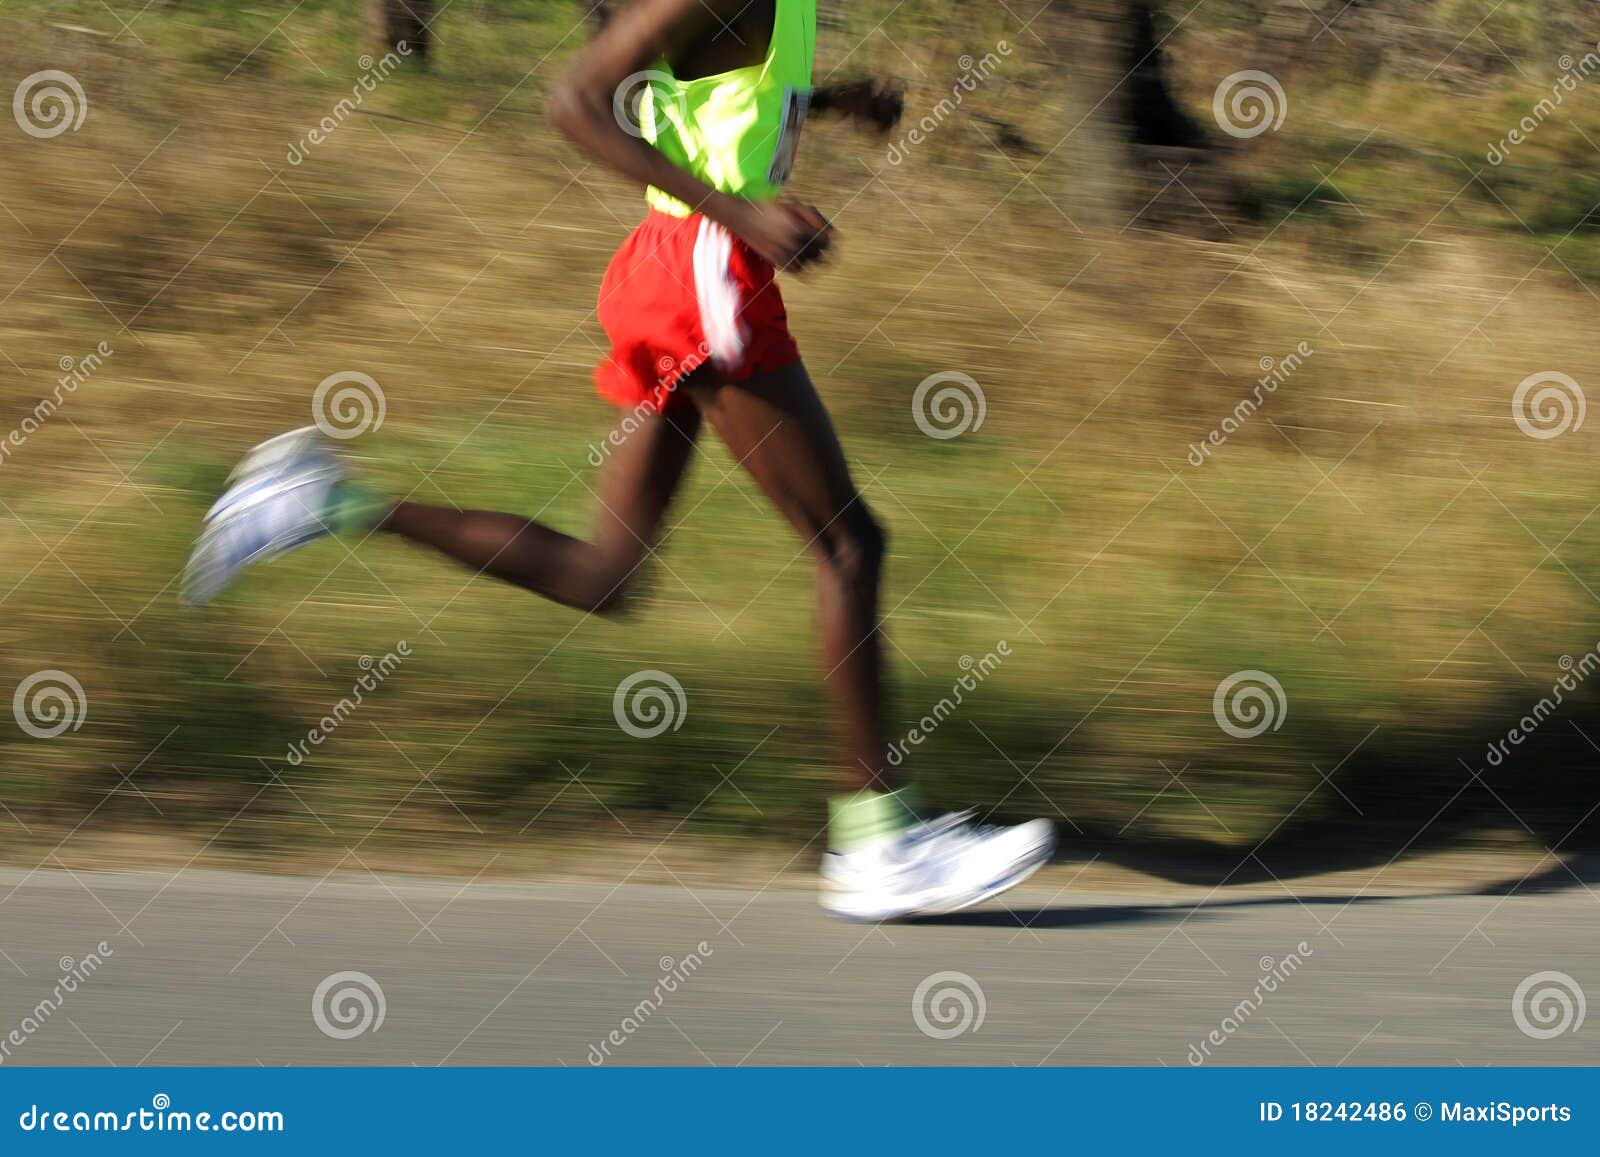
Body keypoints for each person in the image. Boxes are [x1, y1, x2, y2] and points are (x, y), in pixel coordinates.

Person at [183, 0, 1054, 920]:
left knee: (609, 575)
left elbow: (672, 94)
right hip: (705, 269)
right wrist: (743, 214)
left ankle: (322, 502)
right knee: (848, 546)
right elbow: (577, 101)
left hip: (671, 265)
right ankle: (880, 843)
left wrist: (828, 100)